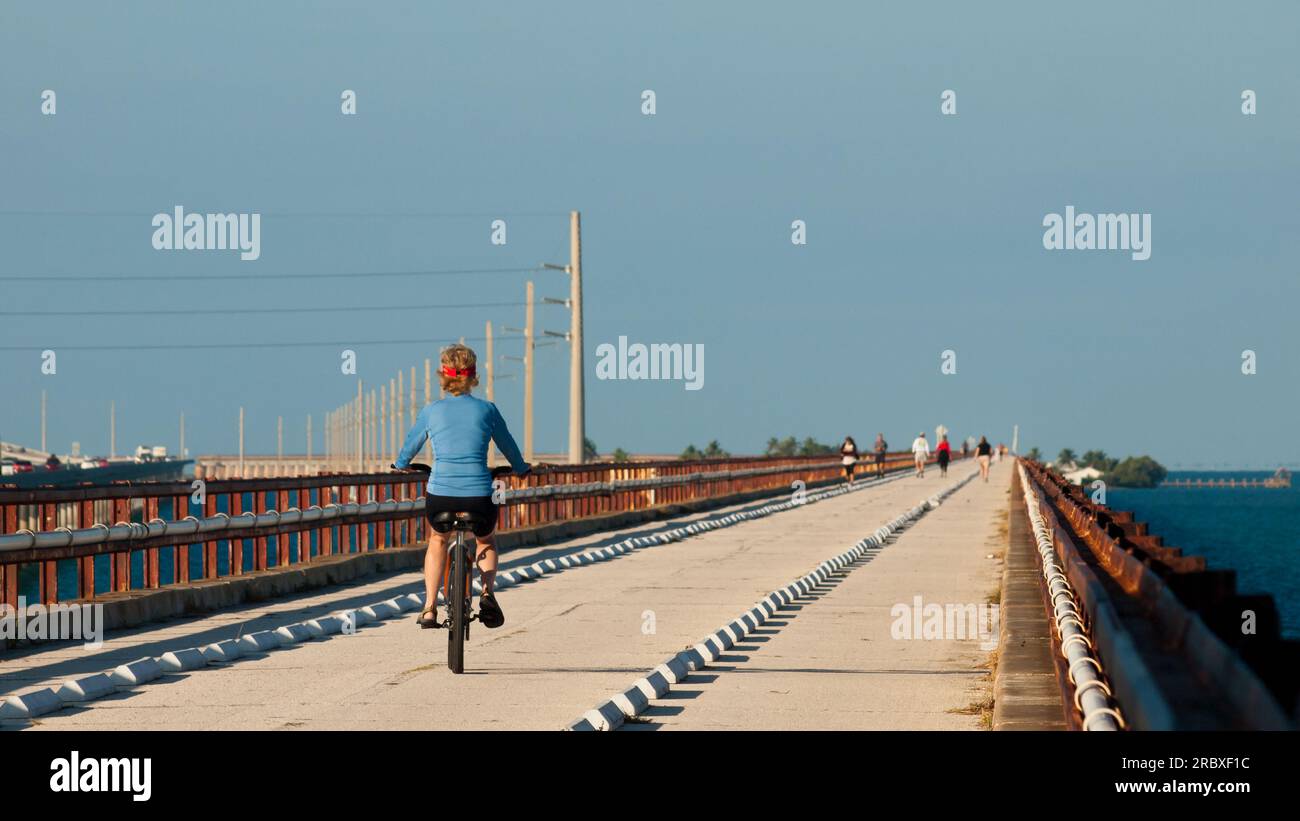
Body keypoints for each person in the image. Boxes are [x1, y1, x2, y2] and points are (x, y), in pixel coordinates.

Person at [394, 343, 531, 630]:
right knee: (485, 540)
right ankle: (486, 592)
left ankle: (430, 607)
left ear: (442, 376)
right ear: (473, 376)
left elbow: (408, 449)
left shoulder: (432, 411)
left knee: (437, 540)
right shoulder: (487, 410)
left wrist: (401, 463)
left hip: (440, 495)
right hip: (480, 496)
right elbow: (509, 446)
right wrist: (520, 468)